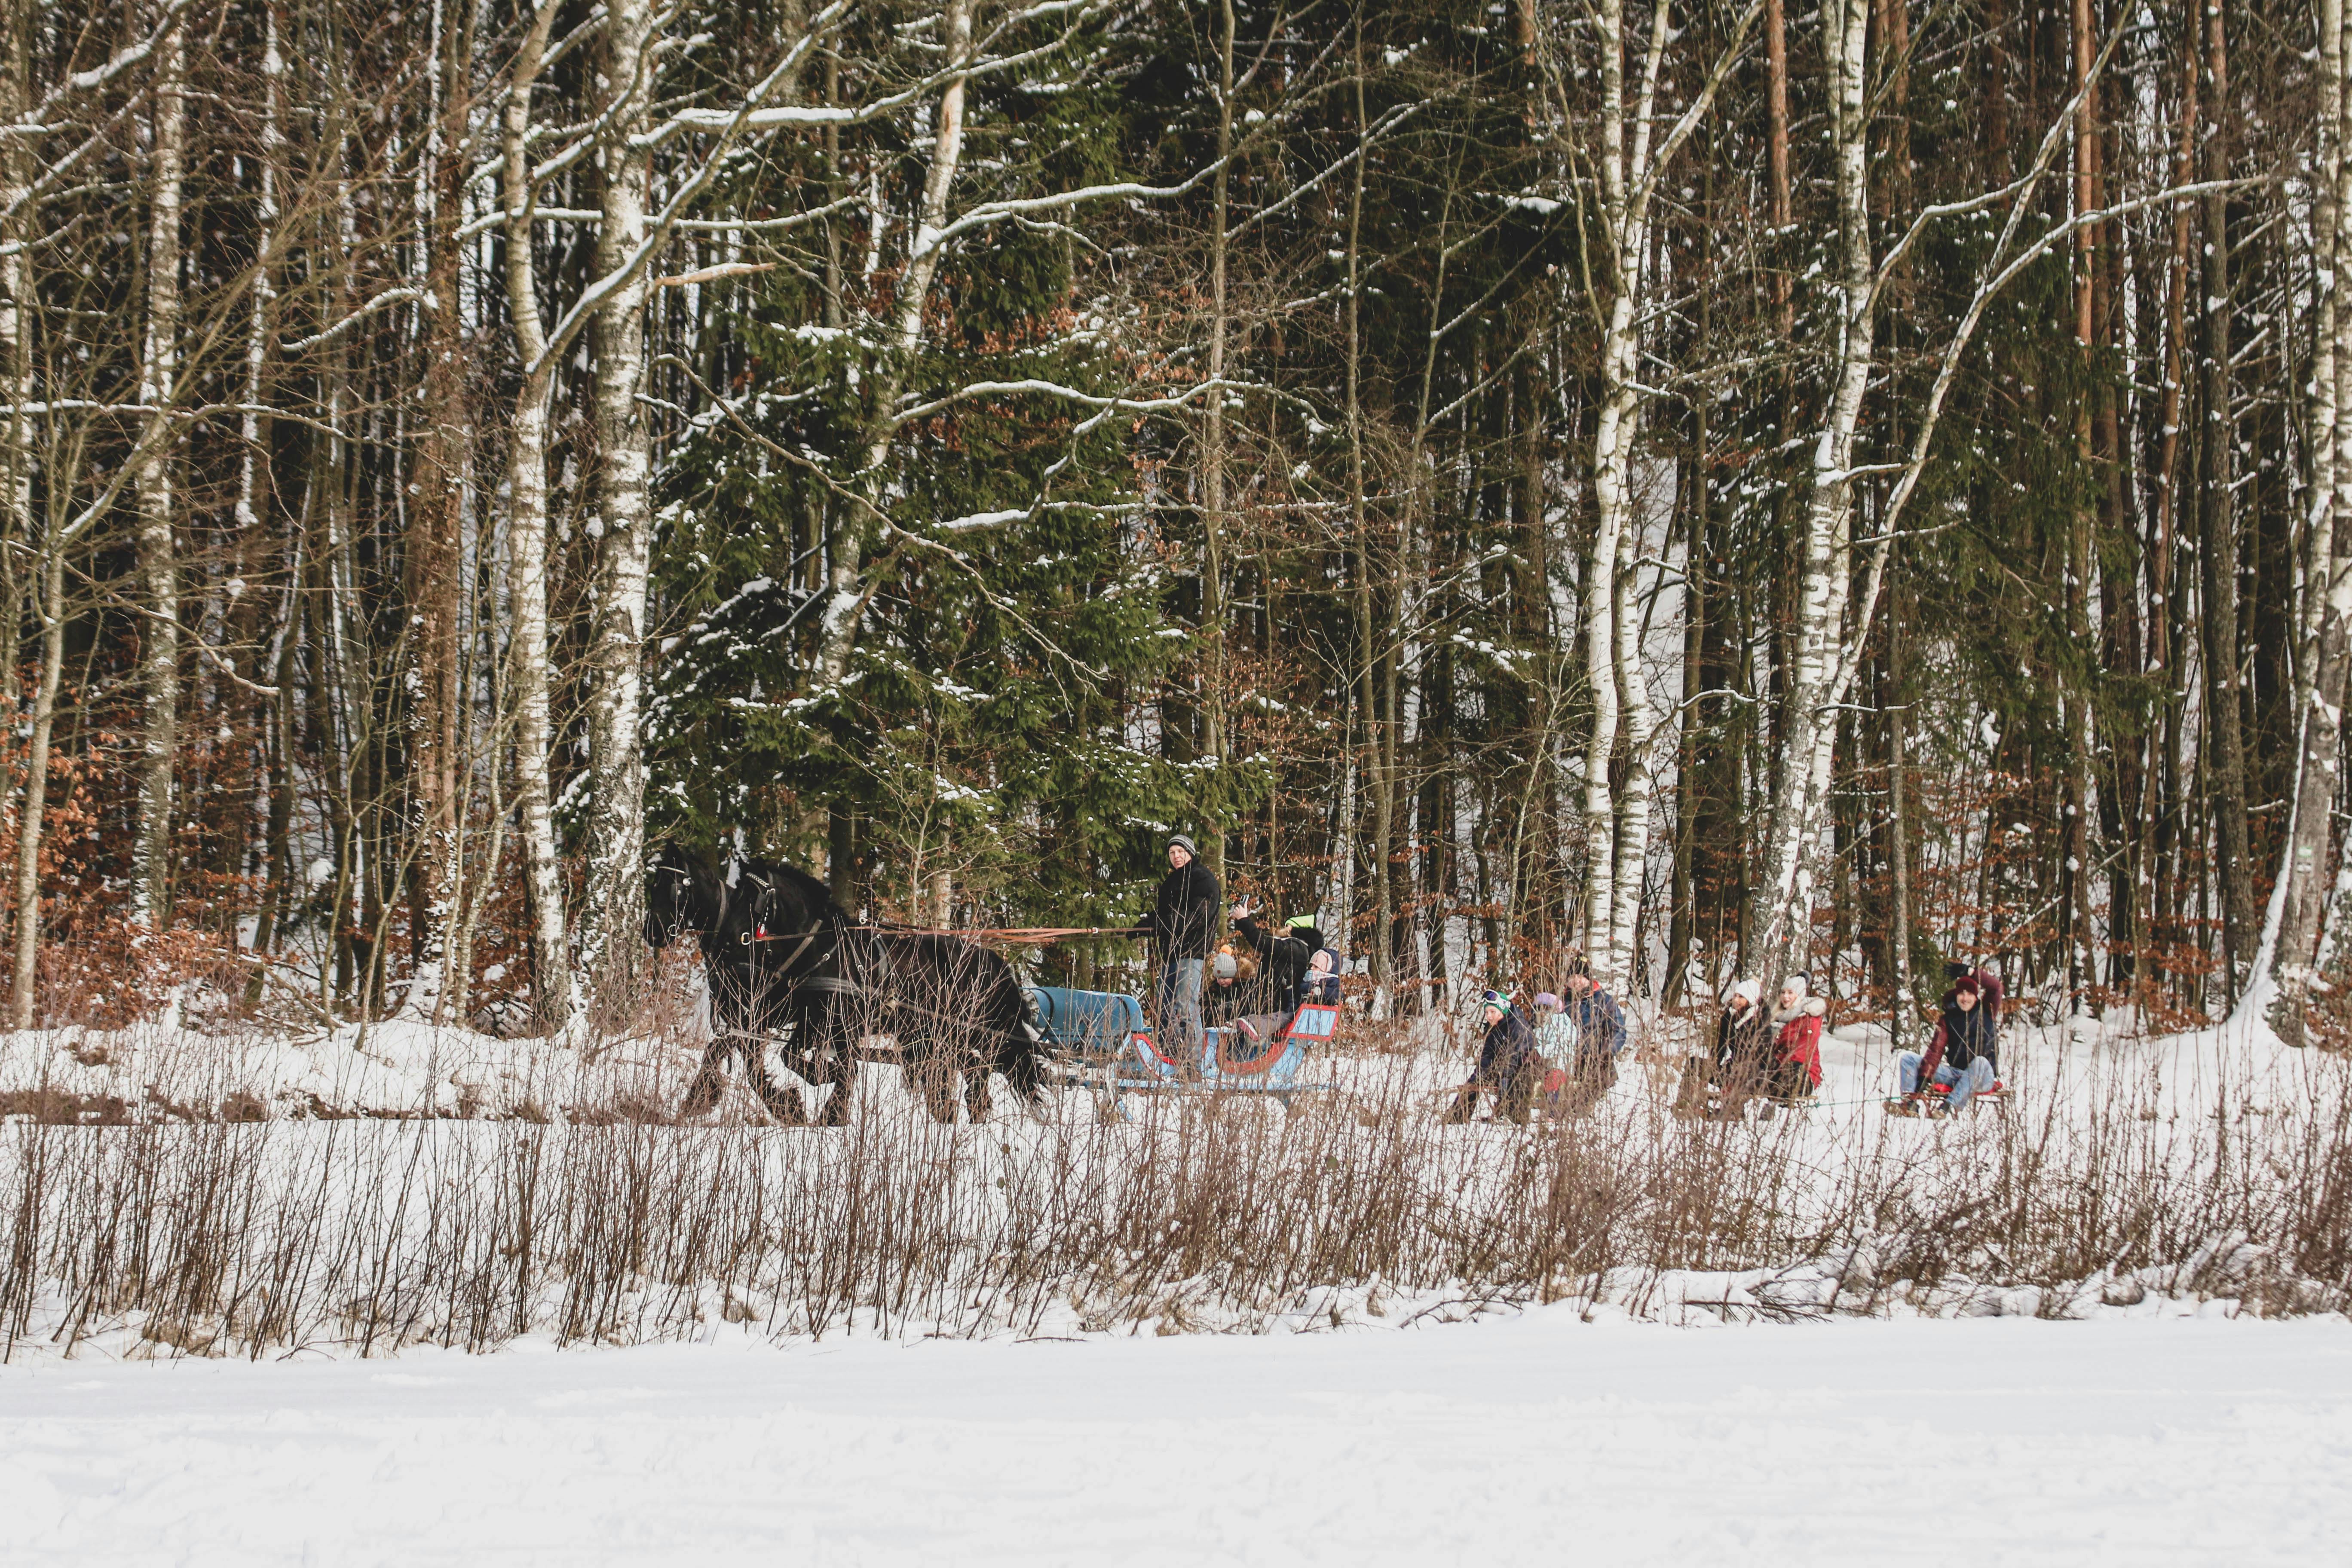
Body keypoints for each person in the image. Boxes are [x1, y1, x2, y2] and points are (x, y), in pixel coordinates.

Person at [1139, 833, 1219, 1052]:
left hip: (1192, 951)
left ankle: (1192, 1060)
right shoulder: (1171, 883)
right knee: (1164, 1008)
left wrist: (1160, 923)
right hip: (1170, 954)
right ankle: (1168, 1054)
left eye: (1181, 852)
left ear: (1190, 853)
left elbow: (1195, 916)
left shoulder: (1203, 879)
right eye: (1172, 852)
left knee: (1185, 1007)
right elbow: (1165, 915)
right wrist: (1146, 925)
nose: (1176, 856)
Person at [1893, 974, 1997, 1115]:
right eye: (1961, 994)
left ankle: (1949, 1106)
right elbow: (1936, 1050)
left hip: (1983, 1077)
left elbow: (1996, 988)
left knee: (1980, 1061)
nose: (1965, 998)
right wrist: (1924, 1078)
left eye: (1970, 994)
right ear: (1956, 995)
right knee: (1908, 1059)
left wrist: (1971, 972)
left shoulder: (1987, 1011)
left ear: (1976, 997)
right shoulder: (1948, 1019)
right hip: (1957, 1075)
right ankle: (1910, 1103)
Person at [1675, 978, 1770, 1118]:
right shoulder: (1729, 1017)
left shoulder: (1760, 1022)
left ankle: (1732, 1111)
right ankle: (1684, 1104)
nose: (1736, 1000)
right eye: (1735, 996)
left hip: (1753, 1074)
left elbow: (1755, 1057)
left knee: (1742, 1070)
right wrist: (1713, 1067)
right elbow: (1720, 1047)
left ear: (1750, 1000)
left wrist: (1730, 1068)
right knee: (1695, 1063)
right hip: (1732, 1068)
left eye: (1741, 997)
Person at [1442, 989, 1541, 1124]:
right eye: (1487, 1012)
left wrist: (1500, 1075)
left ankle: (1511, 1116)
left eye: (1493, 1012)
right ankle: (1456, 1117)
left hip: (1524, 1069)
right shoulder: (1492, 1028)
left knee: (1513, 1078)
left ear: (1503, 1010)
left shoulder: (1518, 1025)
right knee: (1474, 1082)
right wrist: (1479, 1075)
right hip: (1502, 1067)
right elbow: (1487, 1055)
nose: (1489, 1016)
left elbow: (1514, 1056)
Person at [1552, 959, 1626, 1115]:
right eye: (1572, 977)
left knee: (1597, 1074)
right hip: (1567, 1058)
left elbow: (1618, 1030)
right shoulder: (1561, 1003)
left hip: (1595, 1057)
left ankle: (1579, 1107)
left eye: (1580, 977)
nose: (1576, 981)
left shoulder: (1604, 1001)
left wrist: (1608, 1051)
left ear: (1588, 979)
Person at [1230, 897, 1323, 1013]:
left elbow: (1261, 942)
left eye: (1288, 926)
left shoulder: (1295, 948)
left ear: (1292, 930)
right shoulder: (1298, 949)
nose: (1283, 929)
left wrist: (1244, 920)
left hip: (1271, 1005)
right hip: (1269, 1001)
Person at [1764, 974, 1825, 1107]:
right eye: (1783, 992)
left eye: (1790, 993)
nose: (1785, 997)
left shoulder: (1809, 1018)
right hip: (1778, 1070)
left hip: (1802, 1073)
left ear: (1799, 995)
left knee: (1792, 1070)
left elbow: (1803, 1051)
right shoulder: (1777, 1017)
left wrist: (1777, 1067)